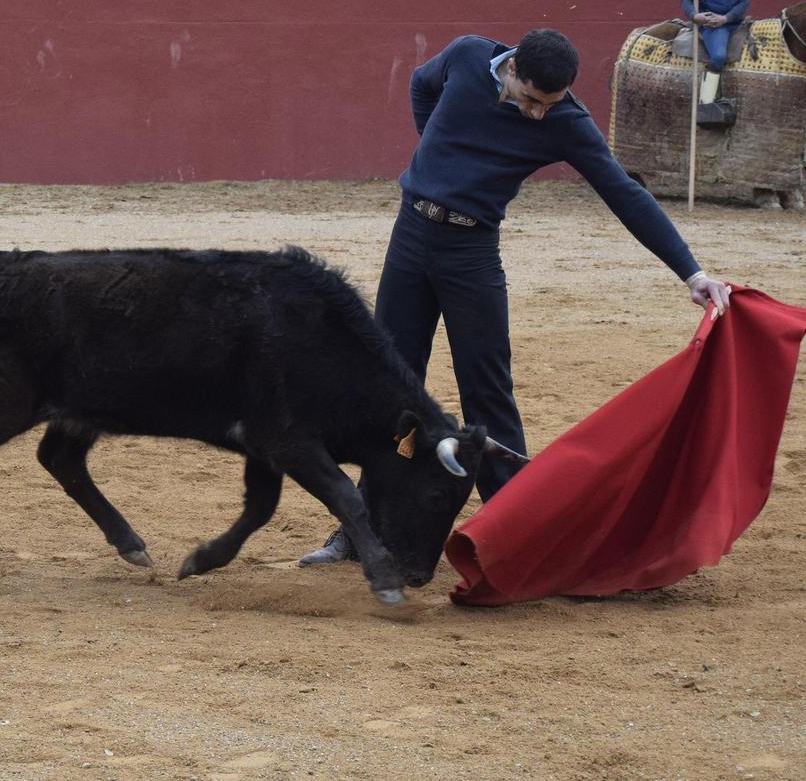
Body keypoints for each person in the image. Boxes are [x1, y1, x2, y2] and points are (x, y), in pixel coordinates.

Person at [300, 28, 731, 565]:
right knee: (392, 385)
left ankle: (513, 533)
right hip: (410, 237)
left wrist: (691, 273)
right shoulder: (466, 57)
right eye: (528, 98)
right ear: (509, 69)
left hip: (472, 252)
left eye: (547, 106)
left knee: (487, 388)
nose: (535, 115)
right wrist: (434, 150)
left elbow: (624, 192)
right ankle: (364, 528)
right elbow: (419, 83)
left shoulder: (565, 122)